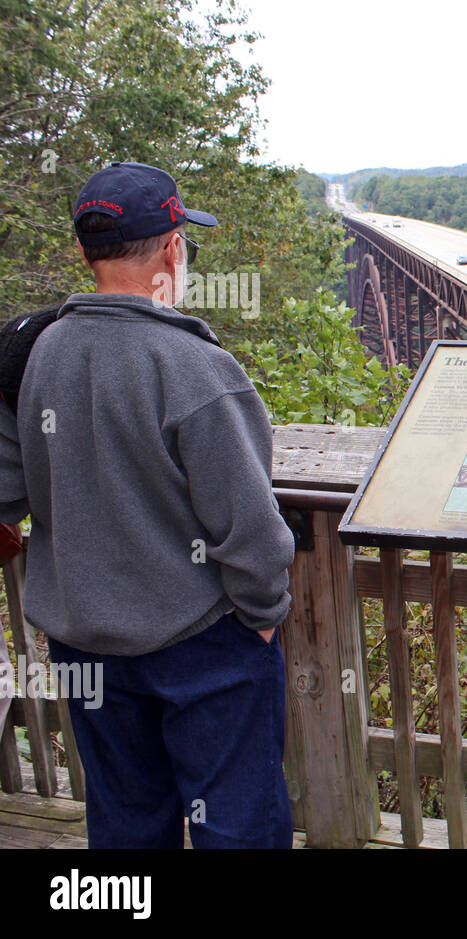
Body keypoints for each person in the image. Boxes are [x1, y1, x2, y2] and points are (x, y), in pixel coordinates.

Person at [0, 161, 297, 848]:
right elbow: (250, 527)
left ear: (84, 251)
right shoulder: (195, 367)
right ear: (172, 248)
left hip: (85, 641)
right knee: (237, 825)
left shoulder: (34, 352)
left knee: (127, 825)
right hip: (204, 642)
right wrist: (261, 617)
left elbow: (8, 485)